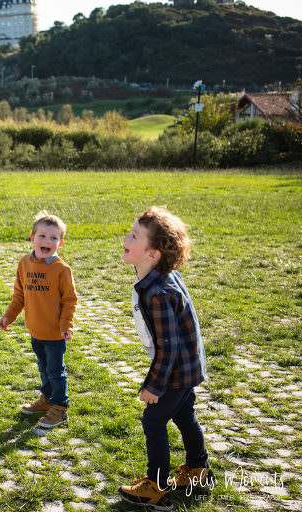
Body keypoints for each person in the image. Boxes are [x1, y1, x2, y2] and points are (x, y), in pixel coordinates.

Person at [118, 206, 214, 510]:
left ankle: (157, 487)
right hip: (186, 366)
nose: (125, 237)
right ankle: (198, 469)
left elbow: (168, 347)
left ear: (153, 254)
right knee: (185, 414)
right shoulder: (157, 277)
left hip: (176, 370)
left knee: (154, 421)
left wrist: (154, 387)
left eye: (134, 236)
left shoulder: (158, 292)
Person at [0, 211, 77, 429]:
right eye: (42, 236)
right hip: (35, 331)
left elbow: (70, 301)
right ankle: (47, 400)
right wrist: (8, 316)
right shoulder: (25, 263)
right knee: (43, 369)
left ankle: (60, 408)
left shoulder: (62, 270)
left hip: (54, 334)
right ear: (32, 238)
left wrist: (66, 326)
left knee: (55, 371)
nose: (47, 241)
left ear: (60, 243)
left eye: (53, 238)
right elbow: (19, 296)